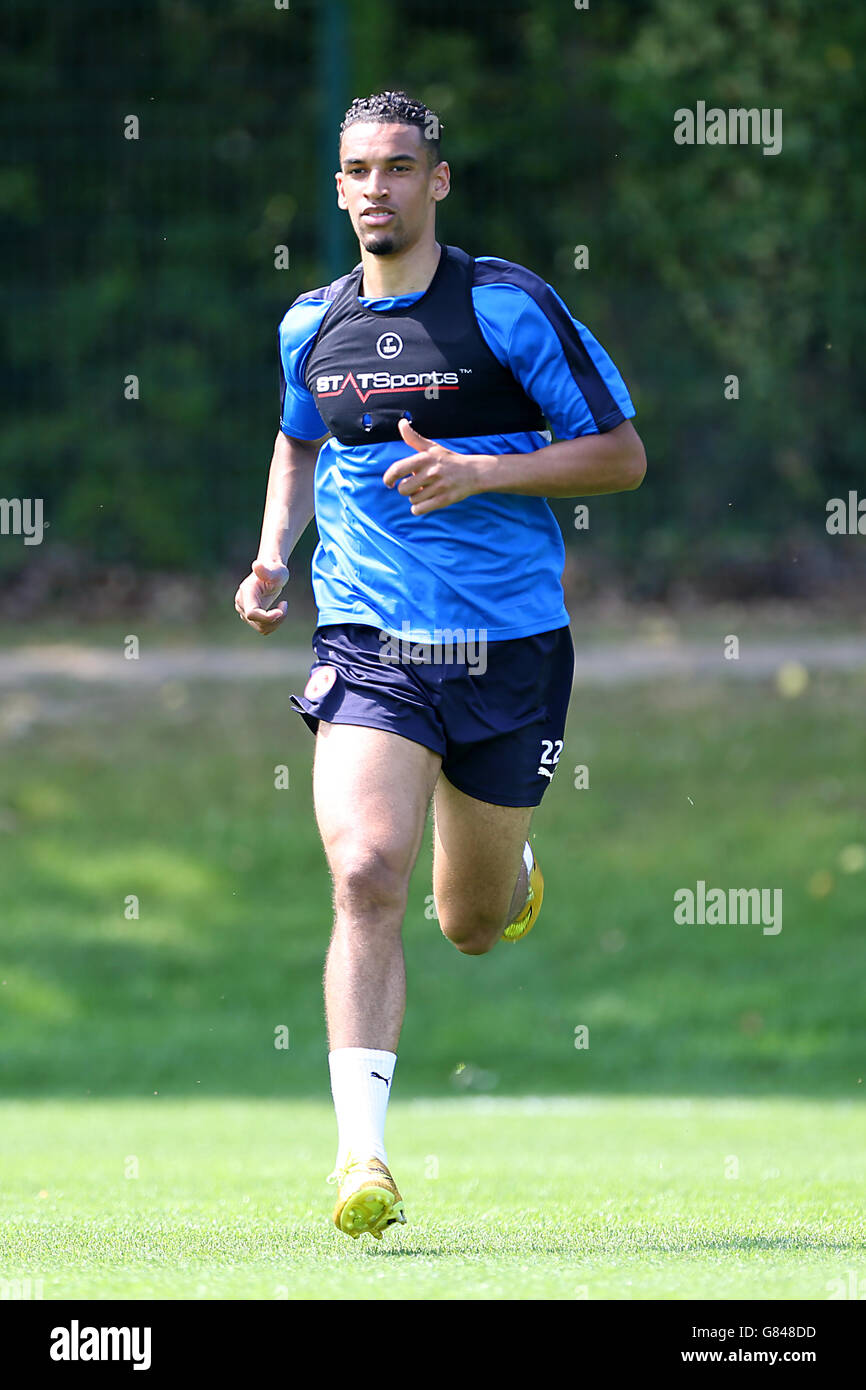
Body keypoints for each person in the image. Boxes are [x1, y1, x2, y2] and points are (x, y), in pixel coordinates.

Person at [234, 90, 646, 1240]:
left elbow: (620, 455)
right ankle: (360, 1156)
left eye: (399, 167)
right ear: (337, 185)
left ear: (436, 182)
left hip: (507, 647)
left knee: (467, 919)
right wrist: (274, 555)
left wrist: (480, 472)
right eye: (358, 169)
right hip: (369, 643)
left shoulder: (508, 309)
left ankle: (509, 880)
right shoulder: (308, 324)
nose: (377, 187)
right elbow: (295, 438)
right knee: (365, 869)